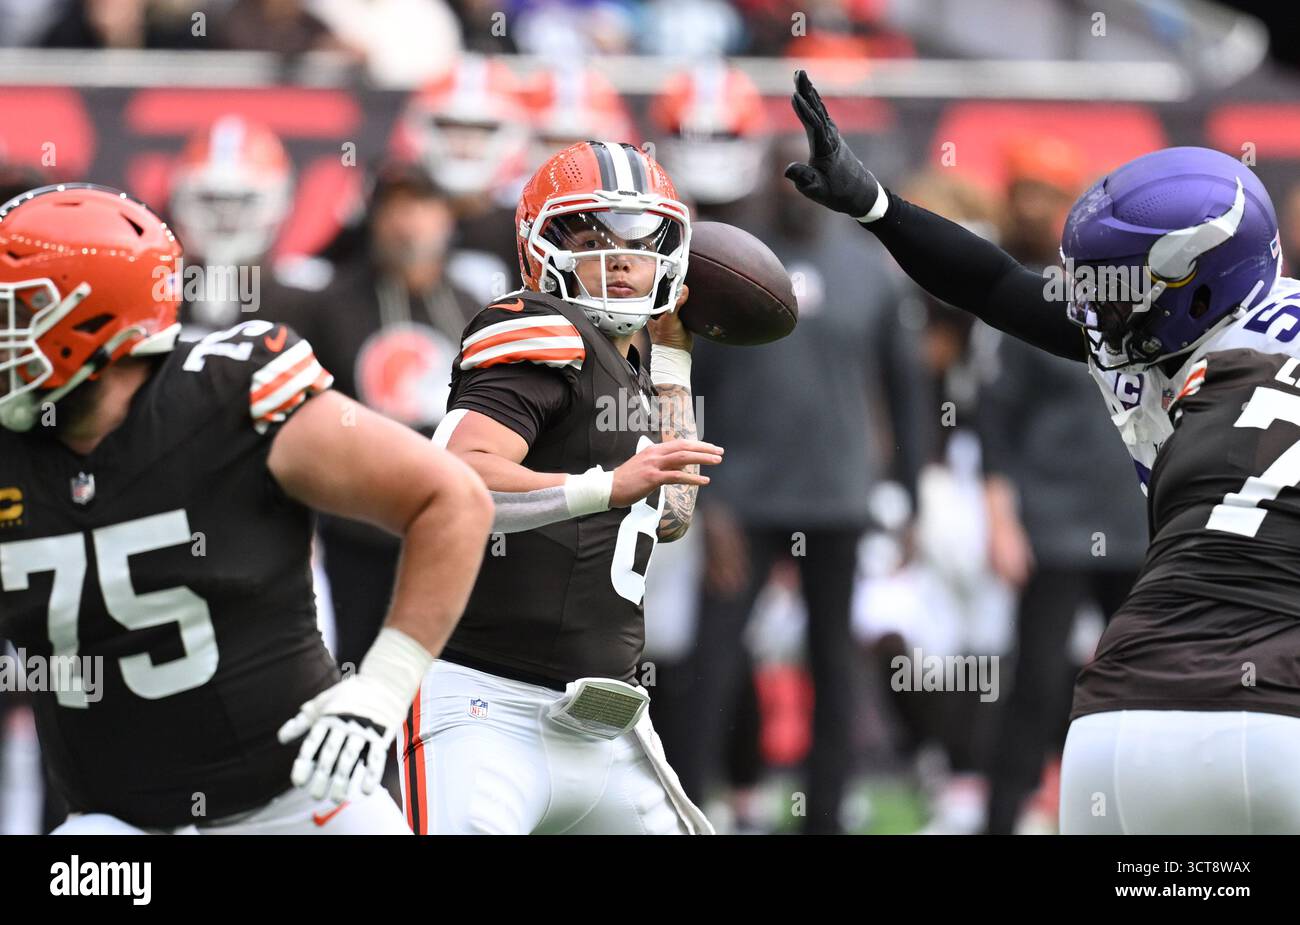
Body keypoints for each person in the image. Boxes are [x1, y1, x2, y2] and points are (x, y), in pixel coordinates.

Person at [785, 70, 1300, 833]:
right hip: (1274, 722)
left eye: (1121, 289)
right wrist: (876, 203)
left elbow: (995, 287)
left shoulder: (1165, 347)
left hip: (1118, 721)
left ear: (1202, 286)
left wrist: (877, 209)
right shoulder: (1182, 327)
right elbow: (999, 283)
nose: (1098, 306)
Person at [0, 184, 493, 834]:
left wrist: (384, 685)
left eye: (19, 308)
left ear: (95, 318)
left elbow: (451, 498)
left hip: (303, 808)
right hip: (114, 828)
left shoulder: (228, 395)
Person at [403, 140, 723, 834]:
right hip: (486, 708)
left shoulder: (629, 364)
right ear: (539, 245)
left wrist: (672, 360)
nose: (619, 258)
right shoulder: (540, 326)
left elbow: (669, 511)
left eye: (640, 239)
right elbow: (458, 483)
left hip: (607, 724)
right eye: (589, 234)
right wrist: (602, 486)